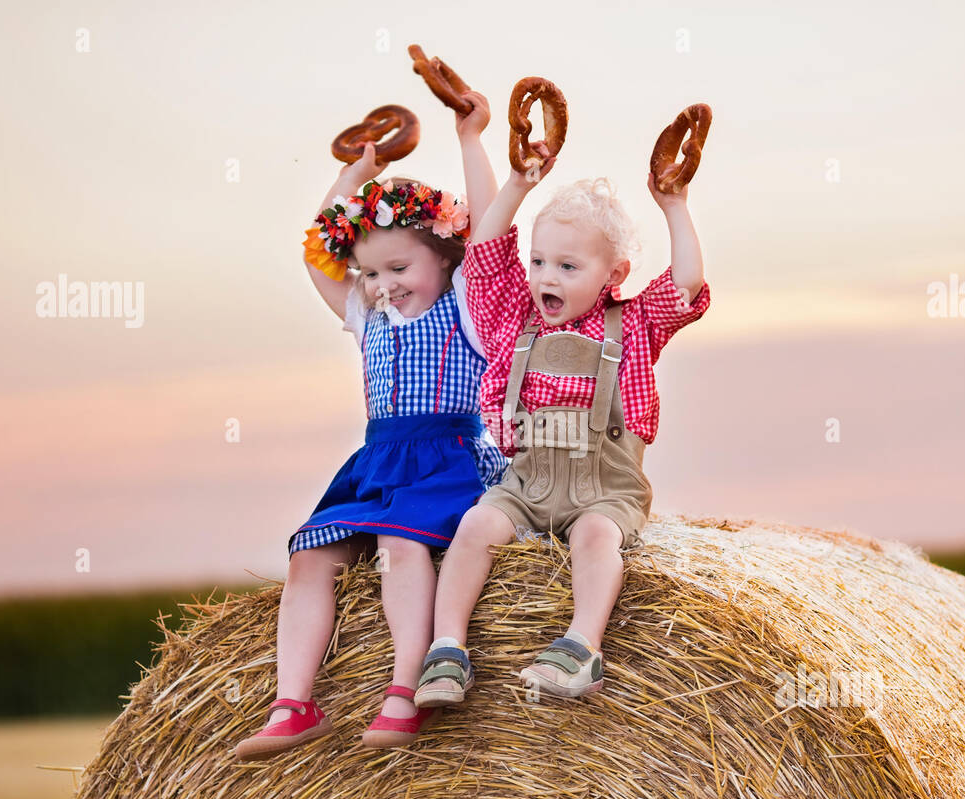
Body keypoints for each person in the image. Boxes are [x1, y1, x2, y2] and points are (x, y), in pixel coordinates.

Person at [235, 92, 507, 758]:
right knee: (309, 556)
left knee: (401, 544)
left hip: (447, 459)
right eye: (370, 271)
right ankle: (293, 704)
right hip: (377, 464)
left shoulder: (465, 308)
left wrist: (471, 139)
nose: (382, 283)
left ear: (448, 259)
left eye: (398, 268)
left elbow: (494, 232)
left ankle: (404, 688)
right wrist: (355, 177)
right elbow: (317, 257)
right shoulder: (368, 315)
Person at [415, 143, 711, 706]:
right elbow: (483, 252)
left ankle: (582, 646)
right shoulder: (511, 317)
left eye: (568, 267)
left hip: (605, 490)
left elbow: (688, 286)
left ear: (614, 274)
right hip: (525, 486)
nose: (546, 276)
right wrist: (519, 184)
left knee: (597, 536)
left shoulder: (635, 325)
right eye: (539, 261)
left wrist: (674, 204)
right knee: (475, 527)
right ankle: (446, 648)